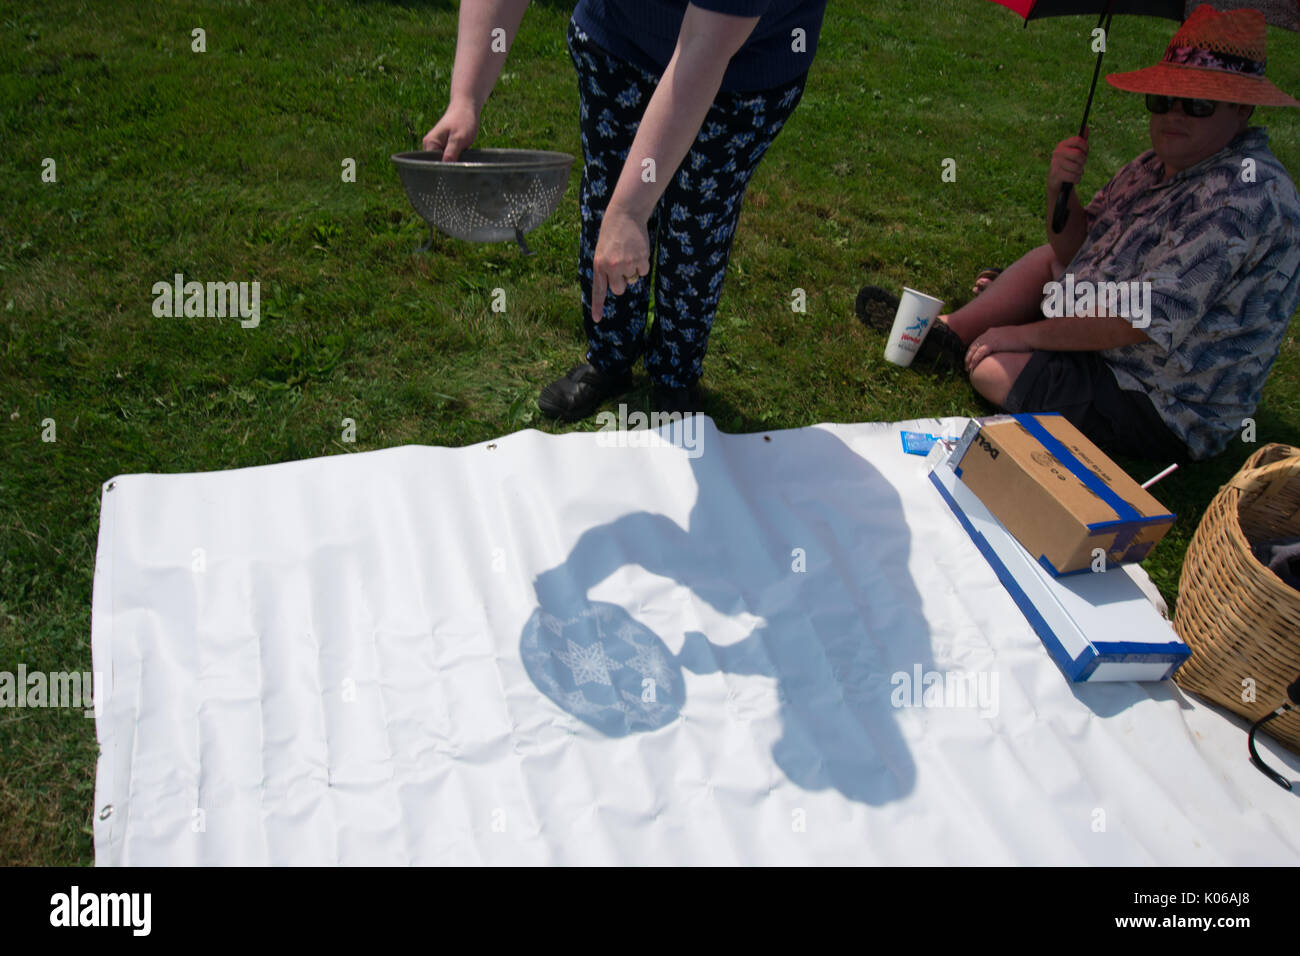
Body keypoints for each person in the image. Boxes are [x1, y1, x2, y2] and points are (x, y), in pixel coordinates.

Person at [864, 5, 1300, 462]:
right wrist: (1061, 193)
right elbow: (1077, 250)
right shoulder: (1156, 165)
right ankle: (948, 336)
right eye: (1163, 99)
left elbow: (1140, 321)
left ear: (1242, 110)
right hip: (1106, 336)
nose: (1174, 114)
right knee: (1043, 261)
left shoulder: (1246, 197)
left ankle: (984, 341)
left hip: (1158, 397)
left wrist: (1026, 335)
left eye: (1198, 104)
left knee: (992, 370)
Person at [424, 0, 828, 421]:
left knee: (696, 229)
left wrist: (631, 212)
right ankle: (609, 360)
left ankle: (675, 376)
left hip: (744, 69)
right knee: (608, 205)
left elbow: (703, 45)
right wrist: (465, 97)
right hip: (620, 43)